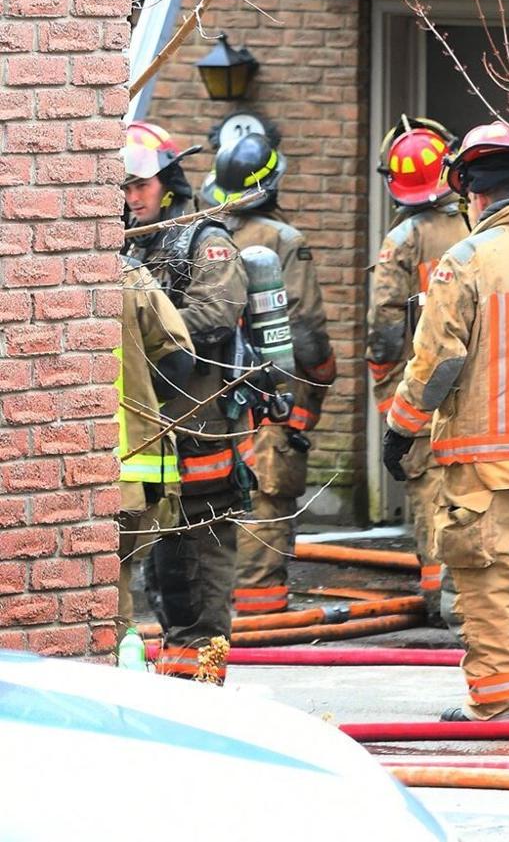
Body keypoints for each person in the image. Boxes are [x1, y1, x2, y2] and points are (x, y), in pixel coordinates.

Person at [381, 121, 509, 722]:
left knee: (484, 571)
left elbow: (437, 361)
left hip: (483, 458)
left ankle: (498, 701)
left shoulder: (466, 260)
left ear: (474, 191)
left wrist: (402, 428)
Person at [122, 121, 250, 684]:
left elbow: (216, 314)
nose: (129, 199)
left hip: (199, 427)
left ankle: (205, 680)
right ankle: (182, 682)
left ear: (169, 184)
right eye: (120, 187)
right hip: (150, 429)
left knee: (200, 559)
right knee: (165, 566)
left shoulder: (205, 240)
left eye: (139, 186)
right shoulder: (126, 246)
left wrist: (149, 329)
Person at [203, 134, 338, 617]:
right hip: (271, 398)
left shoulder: (200, 233)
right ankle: (262, 621)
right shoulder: (284, 241)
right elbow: (304, 329)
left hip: (210, 399)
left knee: (214, 498)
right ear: (274, 184)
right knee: (267, 498)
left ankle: (217, 616)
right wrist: (324, 377)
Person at [367, 117, 471, 625]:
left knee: (428, 489)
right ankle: (462, 596)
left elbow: (385, 325)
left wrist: (389, 402)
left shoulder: (402, 238)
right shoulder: (477, 225)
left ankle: (441, 602)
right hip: (472, 382)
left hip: (421, 383)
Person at [114, 255, 194, 642]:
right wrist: (144, 403)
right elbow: (178, 359)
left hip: (42, 476)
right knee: (112, 593)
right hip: (131, 473)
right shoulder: (127, 276)